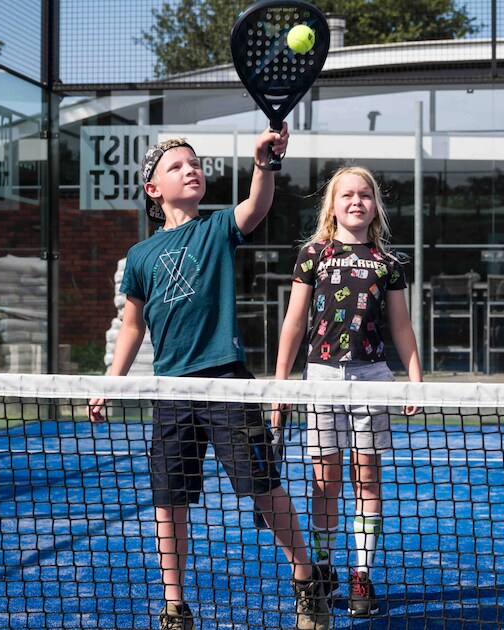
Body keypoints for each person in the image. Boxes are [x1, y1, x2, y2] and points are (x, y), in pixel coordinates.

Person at [88, 127, 331, 630]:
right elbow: (132, 326)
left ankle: (306, 578)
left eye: (194, 163)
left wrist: (264, 163)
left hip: (227, 383)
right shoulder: (140, 257)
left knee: (263, 486)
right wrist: (109, 382)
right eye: (176, 166)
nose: (190, 169)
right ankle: (175, 606)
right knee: (168, 501)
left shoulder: (218, 227)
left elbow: (256, 206)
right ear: (154, 189)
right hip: (171, 391)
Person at [273, 166, 423, 618]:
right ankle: (322, 567)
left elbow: (401, 326)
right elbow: (295, 322)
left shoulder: (389, 264)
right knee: (325, 482)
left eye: (365, 195)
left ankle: (361, 574)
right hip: (319, 377)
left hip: (373, 378)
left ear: (375, 205)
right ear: (332, 205)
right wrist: (280, 385)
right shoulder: (312, 255)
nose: (356, 201)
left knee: (367, 479)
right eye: (347, 195)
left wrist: (415, 378)